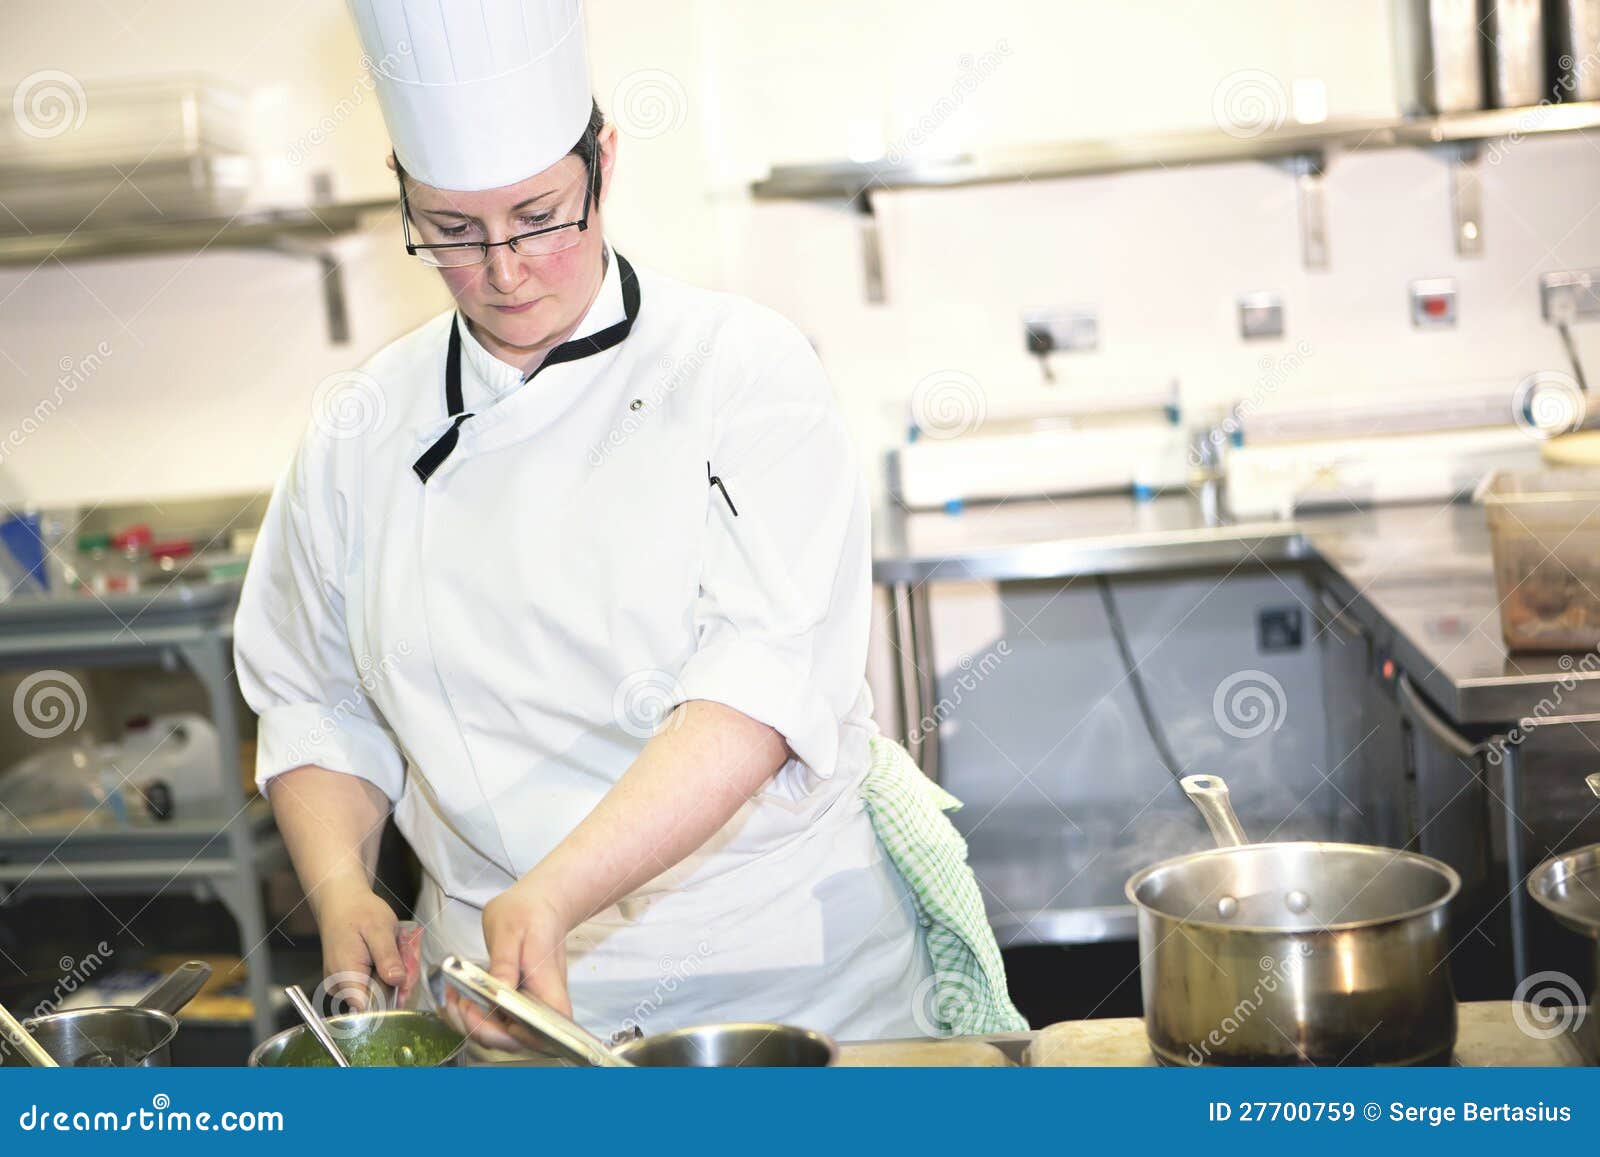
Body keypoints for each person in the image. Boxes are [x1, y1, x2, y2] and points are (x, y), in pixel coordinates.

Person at [235, 0, 1023, 1046]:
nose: (505, 270)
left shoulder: (746, 370)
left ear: (602, 161)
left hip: (775, 984)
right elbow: (314, 693)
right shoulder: (361, 424)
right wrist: (341, 886)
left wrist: (558, 890)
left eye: (540, 217)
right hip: (496, 997)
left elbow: (759, 682)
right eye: (455, 233)